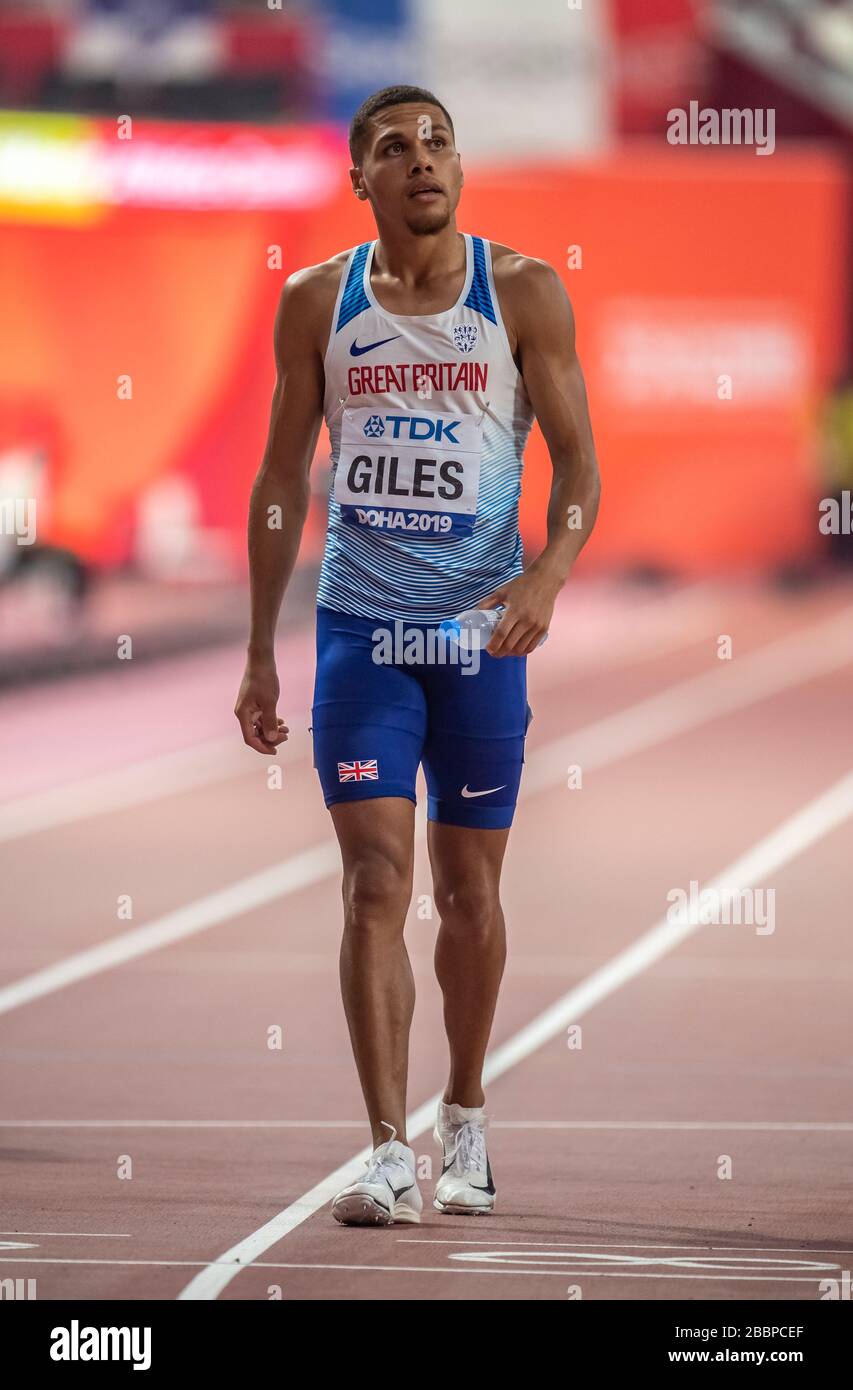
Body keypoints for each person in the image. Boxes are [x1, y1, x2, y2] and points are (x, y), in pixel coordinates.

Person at [235, 84, 600, 1225]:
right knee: (374, 884)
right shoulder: (315, 301)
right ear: (361, 180)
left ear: (458, 165)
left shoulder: (524, 291)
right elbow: (281, 480)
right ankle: (388, 1153)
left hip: (476, 638)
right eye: (395, 148)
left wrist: (543, 578)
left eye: (439, 143)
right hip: (359, 634)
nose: (423, 161)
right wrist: (260, 649)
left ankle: (468, 1114)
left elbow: (582, 478)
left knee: (469, 894)